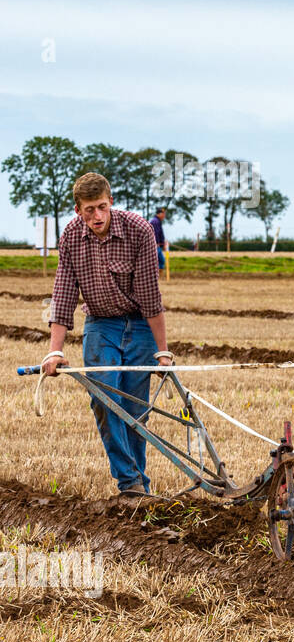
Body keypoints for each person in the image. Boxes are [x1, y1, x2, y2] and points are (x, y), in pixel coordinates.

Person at [40, 173, 173, 496]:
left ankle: (137, 482)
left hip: (140, 324)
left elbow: (150, 298)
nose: (96, 216)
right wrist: (54, 351)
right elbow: (63, 295)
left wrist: (163, 351)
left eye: (101, 207)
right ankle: (130, 482)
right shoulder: (71, 237)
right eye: (89, 210)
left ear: (110, 202)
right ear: (77, 210)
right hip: (100, 324)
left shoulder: (138, 230)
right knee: (104, 400)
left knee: (135, 408)